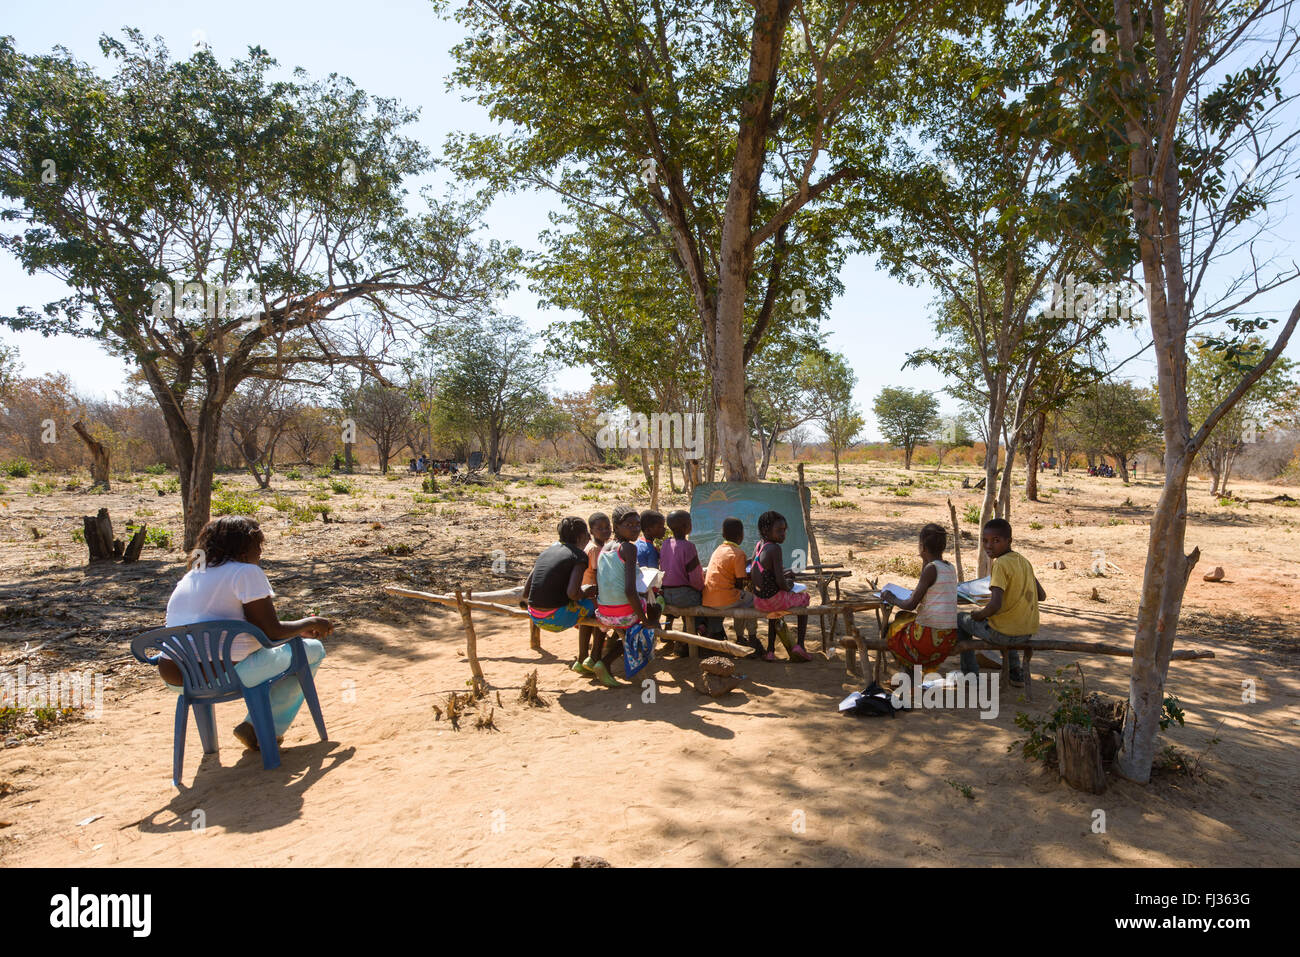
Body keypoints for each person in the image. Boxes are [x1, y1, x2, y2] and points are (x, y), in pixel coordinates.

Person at [161, 516, 332, 752]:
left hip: (177, 677)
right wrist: (309, 623)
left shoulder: (193, 574)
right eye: (257, 545)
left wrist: (296, 630)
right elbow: (270, 632)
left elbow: (241, 626)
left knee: (286, 652)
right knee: (312, 651)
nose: (260, 552)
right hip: (225, 674)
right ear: (242, 547)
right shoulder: (245, 572)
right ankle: (264, 727)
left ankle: (247, 729)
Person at [957, 517, 1045, 687]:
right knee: (1007, 620)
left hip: (1003, 635)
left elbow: (995, 605)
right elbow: (1041, 595)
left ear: (1009, 541)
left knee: (961, 619)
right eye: (985, 541)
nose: (989, 546)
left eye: (995, 541)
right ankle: (1015, 672)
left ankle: (970, 676)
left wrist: (978, 615)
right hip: (1026, 632)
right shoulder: (1024, 562)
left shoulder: (1000, 564)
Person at [594, 505, 659, 685]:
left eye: (637, 524)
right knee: (655, 607)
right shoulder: (628, 549)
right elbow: (630, 591)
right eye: (629, 525)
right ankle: (608, 661)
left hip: (604, 612)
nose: (635, 528)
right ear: (616, 526)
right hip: (622, 614)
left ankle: (609, 654)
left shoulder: (605, 547)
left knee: (631, 623)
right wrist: (645, 621)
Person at [884, 523, 958, 669]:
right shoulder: (950, 567)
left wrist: (890, 597)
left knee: (892, 630)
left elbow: (911, 605)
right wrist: (925, 560)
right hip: (948, 638)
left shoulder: (931, 569)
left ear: (922, 547)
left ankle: (910, 673)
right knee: (902, 617)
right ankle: (913, 673)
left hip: (928, 638)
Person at [519, 516, 597, 642]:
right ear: (581, 537)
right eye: (587, 534)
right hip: (555, 619)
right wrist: (587, 592)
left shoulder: (546, 552)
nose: (589, 538)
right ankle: (595, 650)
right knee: (598, 603)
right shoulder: (579, 556)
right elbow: (573, 594)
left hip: (534, 615)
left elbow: (526, 593)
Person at [749, 510, 812, 662]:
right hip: (773, 601)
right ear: (766, 531)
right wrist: (790, 584)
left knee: (774, 613)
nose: (783, 534)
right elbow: (780, 583)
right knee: (805, 599)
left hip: (759, 601)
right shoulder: (775, 549)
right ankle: (800, 646)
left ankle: (770, 650)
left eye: (784, 530)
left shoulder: (760, 546)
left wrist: (783, 574)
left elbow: (765, 571)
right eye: (779, 531)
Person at [702, 517, 761, 656]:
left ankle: (740, 637)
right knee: (751, 601)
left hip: (709, 599)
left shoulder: (718, 550)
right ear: (741, 536)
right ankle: (751, 637)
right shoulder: (739, 553)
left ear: (723, 535)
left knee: (741, 600)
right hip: (725, 600)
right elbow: (739, 583)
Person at [573, 512, 617, 678]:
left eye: (608, 527)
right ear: (591, 530)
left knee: (586, 624)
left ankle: (582, 657)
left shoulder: (590, 547)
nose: (605, 531)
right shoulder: (596, 549)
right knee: (601, 623)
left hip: (586, 594)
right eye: (600, 528)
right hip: (594, 593)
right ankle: (595, 656)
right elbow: (600, 574)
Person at [659, 509, 707, 656]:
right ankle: (686, 640)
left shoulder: (666, 544)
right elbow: (695, 578)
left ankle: (678, 637)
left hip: (667, 594)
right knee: (704, 601)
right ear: (687, 526)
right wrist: (701, 588)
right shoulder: (688, 547)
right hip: (684, 595)